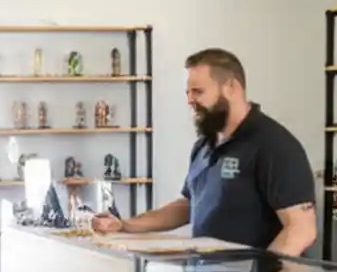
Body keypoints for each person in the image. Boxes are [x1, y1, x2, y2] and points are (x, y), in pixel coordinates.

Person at [92, 48, 317, 256]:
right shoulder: (204, 145)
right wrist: (125, 225)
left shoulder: (273, 144)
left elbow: (302, 229)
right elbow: (189, 205)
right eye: (188, 92)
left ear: (231, 87)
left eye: (198, 91)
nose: (190, 100)